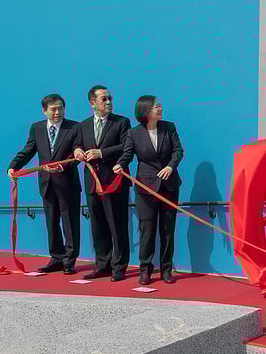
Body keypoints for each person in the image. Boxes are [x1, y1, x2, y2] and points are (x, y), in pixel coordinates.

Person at [8, 94, 82, 274]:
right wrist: (13, 166)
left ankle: (69, 261)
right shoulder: (37, 128)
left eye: (61, 108)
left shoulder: (74, 127)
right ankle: (56, 257)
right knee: (51, 223)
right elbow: (28, 151)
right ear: (44, 111)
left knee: (70, 223)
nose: (58, 112)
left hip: (67, 183)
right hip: (47, 183)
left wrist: (62, 168)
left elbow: (78, 154)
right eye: (53, 109)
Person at [114, 96, 184, 285]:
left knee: (167, 230)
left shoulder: (169, 127)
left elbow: (178, 151)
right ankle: (145, 270)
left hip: (169, 185)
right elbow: (127, 154)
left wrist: (170, 166)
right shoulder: (134, 133)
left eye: (160, 105)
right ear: (145, 111)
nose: (160, 108)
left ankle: (166, 270)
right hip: (146, 188)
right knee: (147, 229)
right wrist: (120, 165)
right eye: (156, 106)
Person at [73, 85, 132, 281]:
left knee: (117, 225)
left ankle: (119, 267)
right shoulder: (83, 125)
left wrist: (102, 153)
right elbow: (77, 144)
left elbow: (126, 146)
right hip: (92, 181)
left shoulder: (122, 122)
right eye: (104, 99)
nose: (108, 102)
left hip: (114, 181)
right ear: (92, 103)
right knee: (98, 225)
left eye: (109, 98)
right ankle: (102, 265)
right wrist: (78, 151)